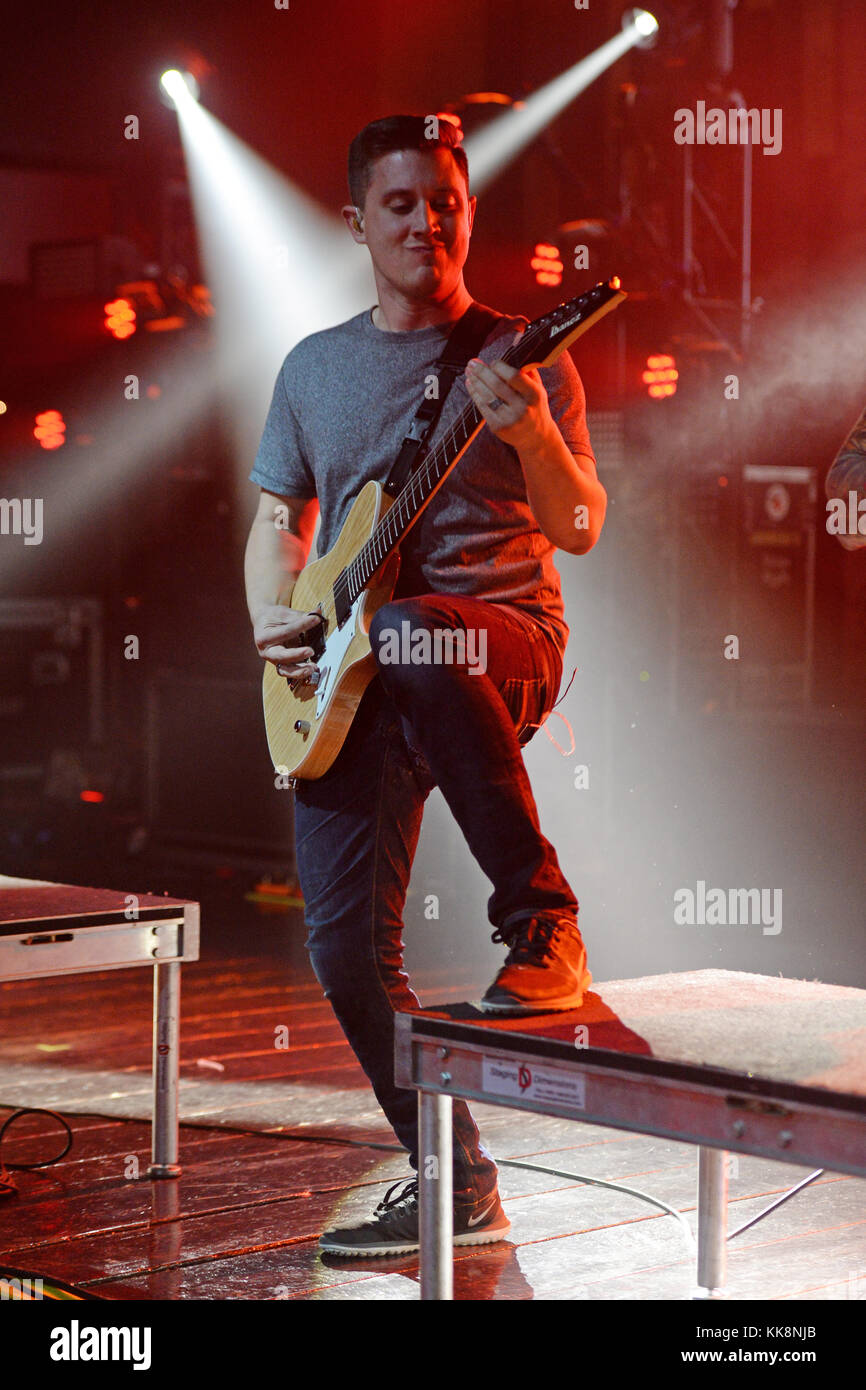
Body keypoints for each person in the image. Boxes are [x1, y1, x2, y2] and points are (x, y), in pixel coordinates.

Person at [244, 114, 607, 1257]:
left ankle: (542, 922)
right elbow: (274, 521)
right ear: (358, 223)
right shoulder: (313, 366)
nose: (425, 221)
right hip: (360, 670)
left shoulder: (520, 352)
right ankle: (449, 1173)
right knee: (343, 949)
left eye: (444, 201)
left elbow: (582, 526)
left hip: (498, 645)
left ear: (468, 213)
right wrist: (273, 614)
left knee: (411, 628)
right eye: (399, 205)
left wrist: (536, 434)